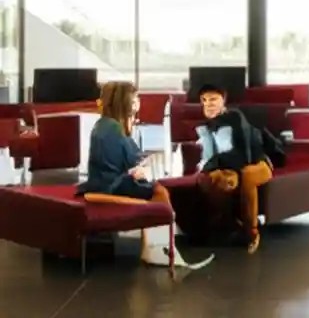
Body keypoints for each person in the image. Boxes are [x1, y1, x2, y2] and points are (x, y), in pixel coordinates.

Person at [78, 81, 204, 268]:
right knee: (160, 191)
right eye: (135, 98)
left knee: (153, 186)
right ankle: (162, 249)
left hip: (101, 182)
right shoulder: (114, 128)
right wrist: (141, 170)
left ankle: (155, 247)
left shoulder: (103, 125)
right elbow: (134, 159)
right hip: (111, 187)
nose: (138, 102)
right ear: (125, 101)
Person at [195, 83, 275, 254]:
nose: (208, 103)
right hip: (231, 166)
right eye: (204, 100)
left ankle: (252, 233)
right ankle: (230, 224)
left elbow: (244, 156)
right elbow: (209, 157)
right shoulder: (207, 127)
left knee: (247, 174)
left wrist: (215, 164)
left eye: (213, 99)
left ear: (223, 101)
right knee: (214, 179)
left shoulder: (235, 118)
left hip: (257, 164)